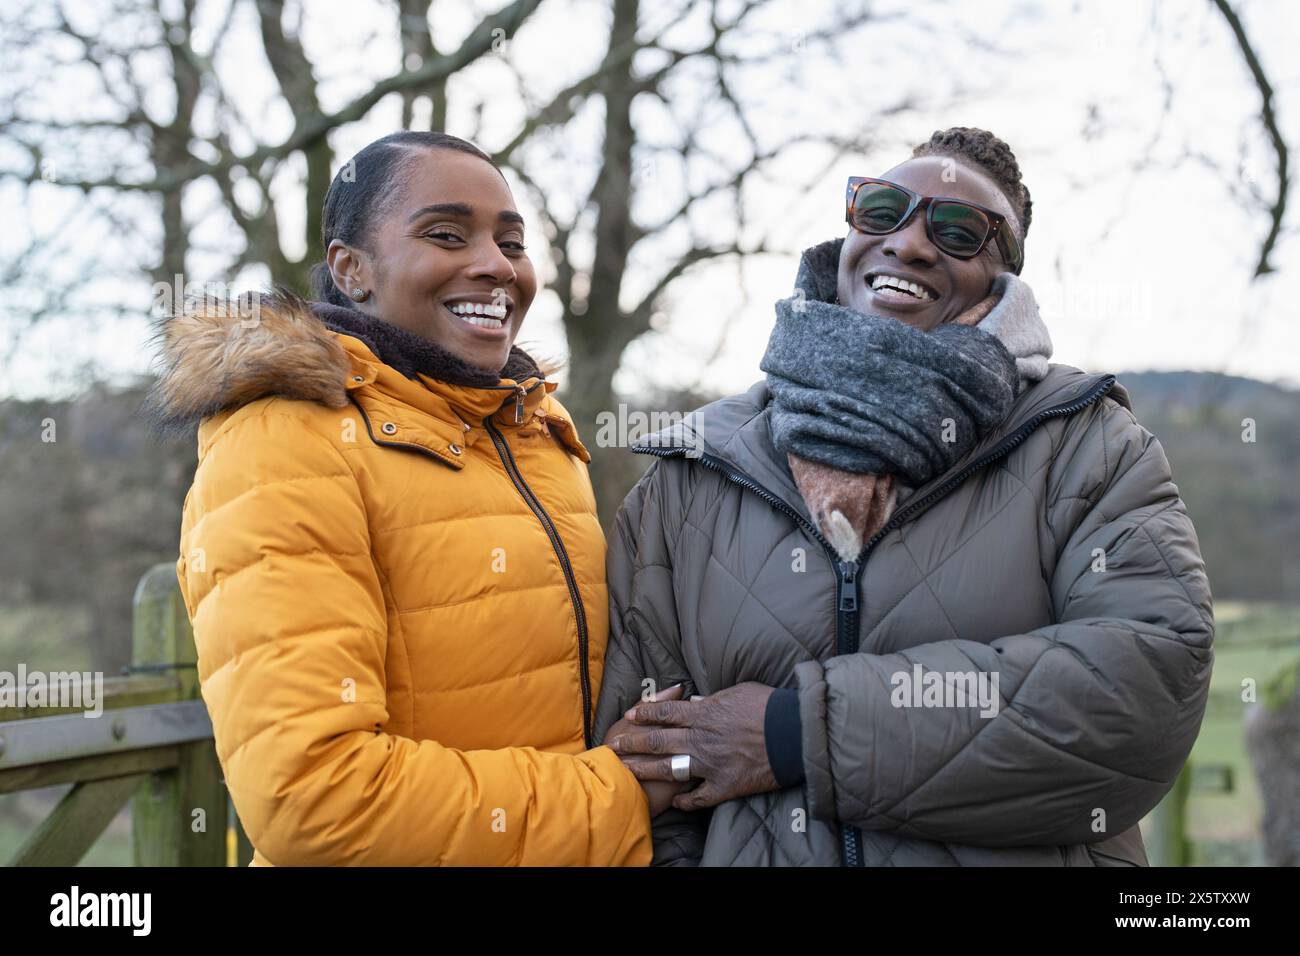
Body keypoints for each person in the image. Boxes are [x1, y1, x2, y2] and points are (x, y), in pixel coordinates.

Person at [596, 126, 1215, 866]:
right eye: (883, 208)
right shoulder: (691, 474)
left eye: (959, 231)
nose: (912, 243)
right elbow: (642, 765)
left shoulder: (1088, 445)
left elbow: (1140, 690)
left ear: (1004, 279)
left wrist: (796, 734)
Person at [149, 131, 668, 866]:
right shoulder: (285, 441)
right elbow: (314, 802)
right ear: (352, 269)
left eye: (512, 242)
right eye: (447, 235)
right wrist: (617, 799)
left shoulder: (537, 434)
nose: (496, 265)